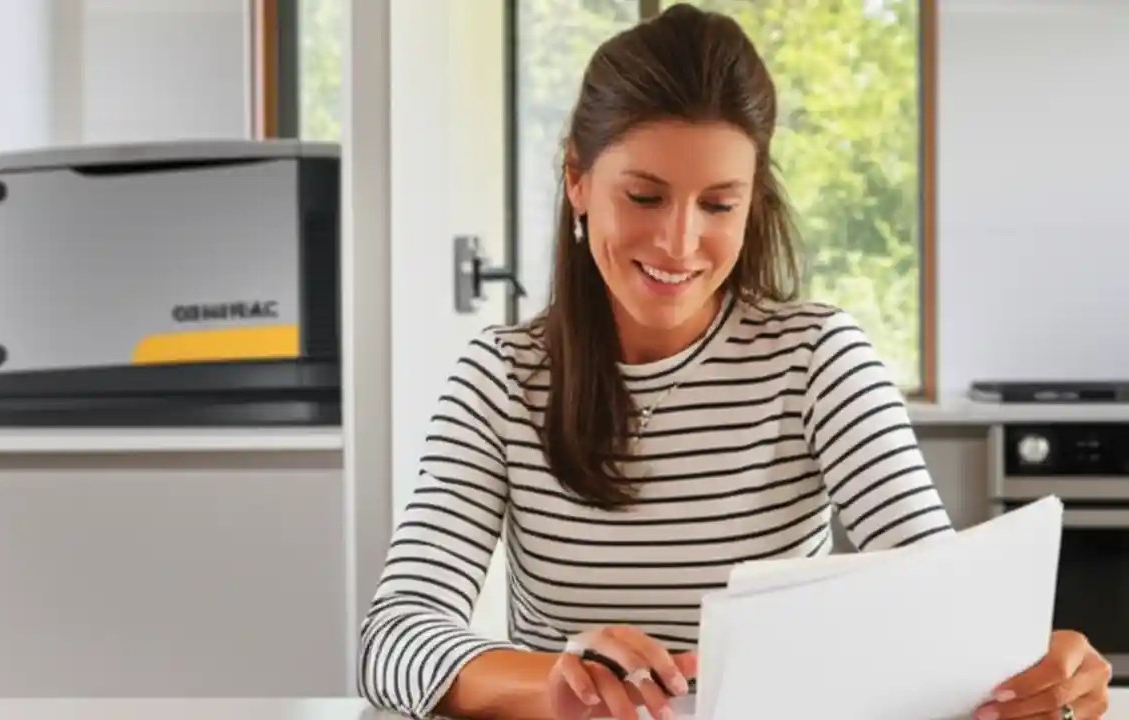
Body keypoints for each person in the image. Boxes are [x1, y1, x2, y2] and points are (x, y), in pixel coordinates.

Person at [357, 6, 1112, 720]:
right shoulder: (502, 378)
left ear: (753, 204)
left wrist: (1033, 672)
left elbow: (941, 617)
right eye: (645, 196)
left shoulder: (817, 360)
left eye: (718, 204)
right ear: (578, 181)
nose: (680, 243)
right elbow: (392, 637)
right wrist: (557, 683)